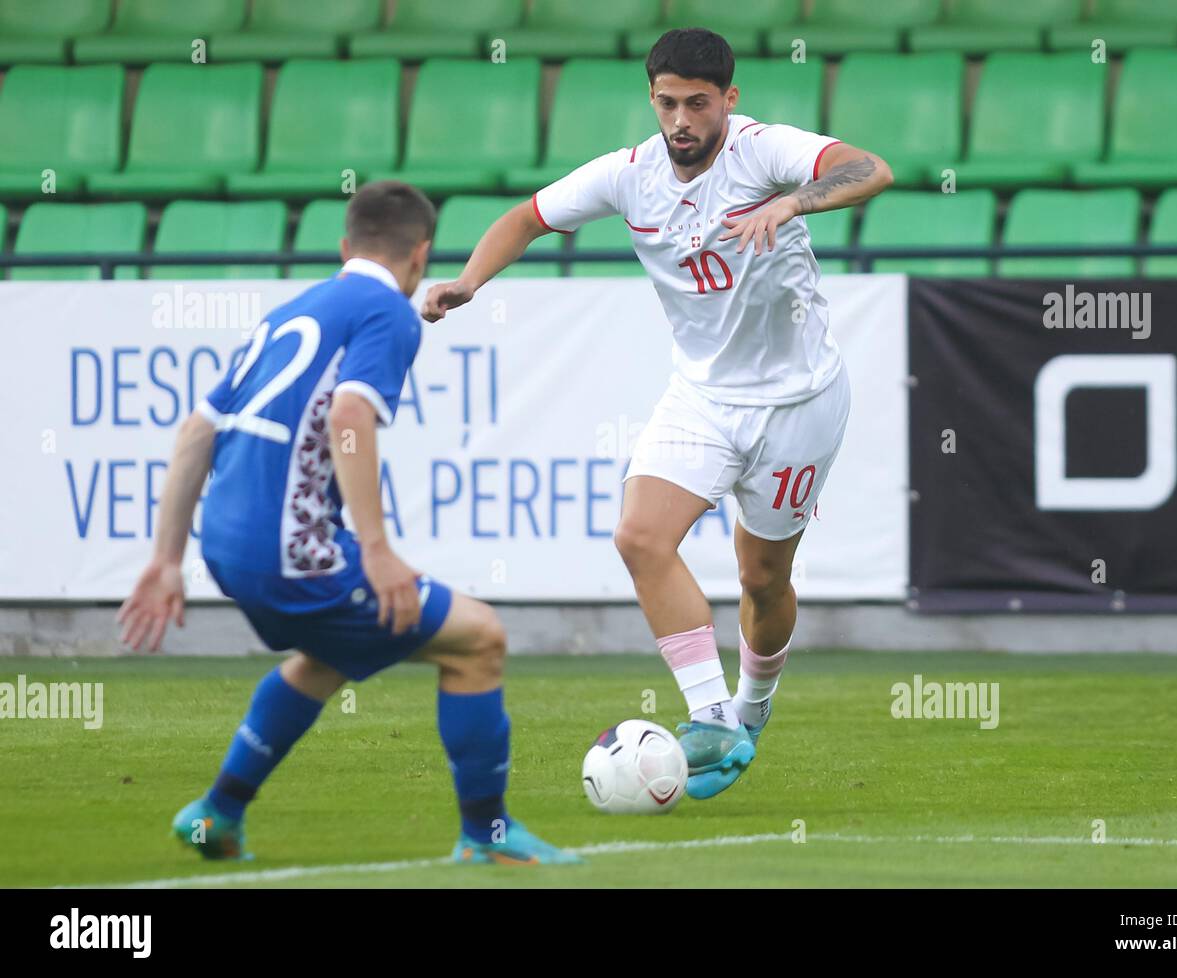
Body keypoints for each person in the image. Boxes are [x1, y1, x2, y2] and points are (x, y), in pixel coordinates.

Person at [421, 29, 893, 799]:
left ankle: (751, 707)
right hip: (702, 397)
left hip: (799, 401)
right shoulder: (629, 175)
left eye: (698, 104)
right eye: (668, 102)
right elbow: (527, 218)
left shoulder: (763, 151)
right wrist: (469, 283)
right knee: (639, 535)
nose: (682, 119)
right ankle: (709, 718)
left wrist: (789, 203)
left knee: (762, 579)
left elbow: (871, 170)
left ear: (728, 102)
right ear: (652, 99)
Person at [117, 180, 579, 865]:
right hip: (293, 547)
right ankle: (488, 835)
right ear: (421, 256)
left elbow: (194, 431)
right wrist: (378, 549)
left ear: (344, 246)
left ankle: (218, 813)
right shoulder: (388, 313)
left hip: (224, 542)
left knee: (329, 657)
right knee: (479, 640)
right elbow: (350, 417)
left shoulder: (291, 312)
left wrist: (164, 558)